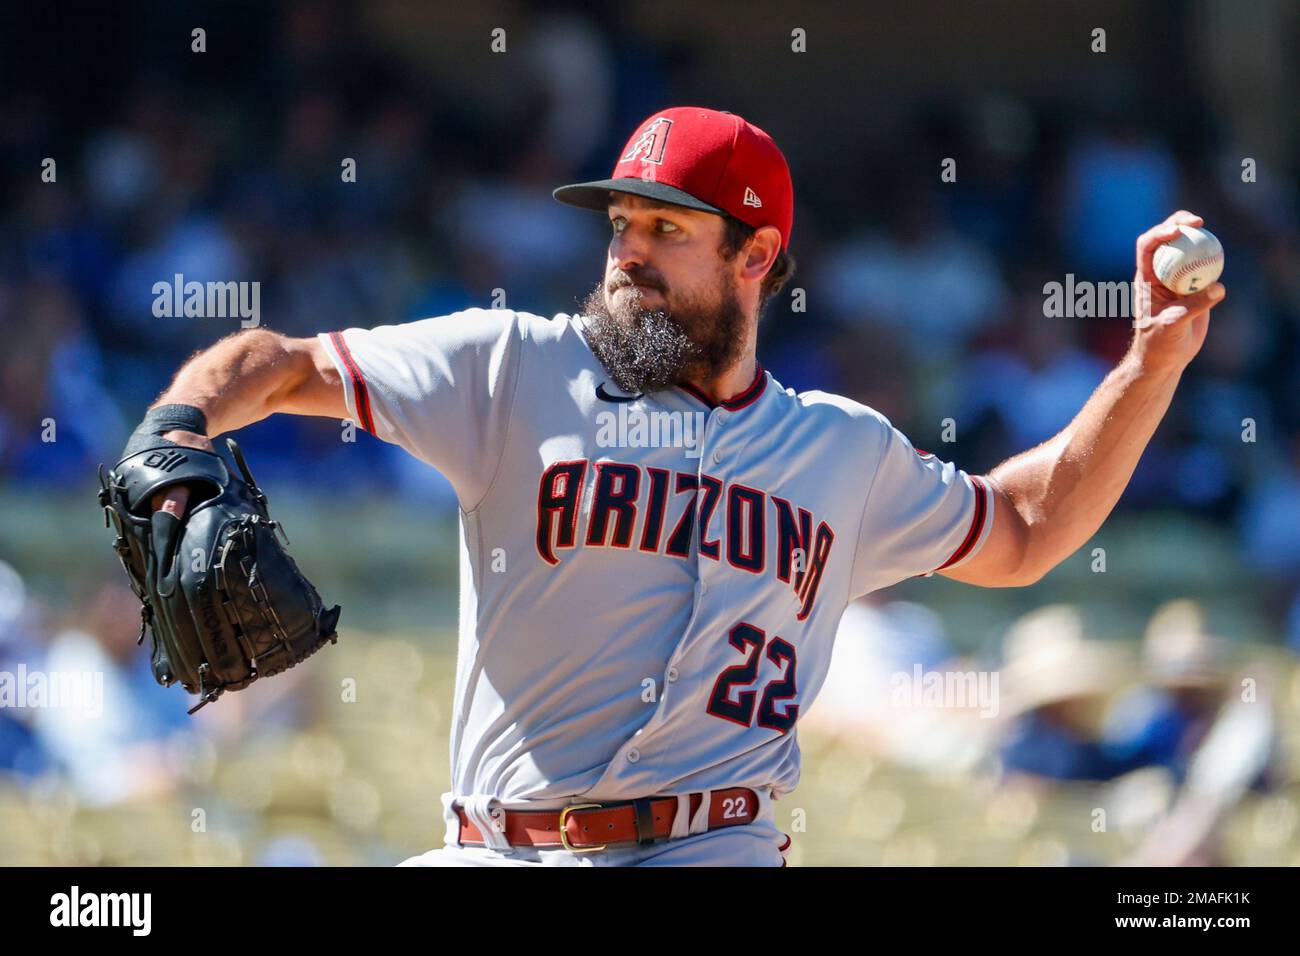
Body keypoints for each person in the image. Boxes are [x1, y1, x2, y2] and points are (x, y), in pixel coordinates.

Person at [135, 106, 1226, 866]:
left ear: (754, 257)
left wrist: (1149, 364)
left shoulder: (840, 452)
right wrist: (178, 429)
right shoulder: (511, 365)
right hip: (497, 846)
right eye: (619, 222)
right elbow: (284, 366)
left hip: (717, 845)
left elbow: (1028, 524)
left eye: (666, 227)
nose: (627, 252)